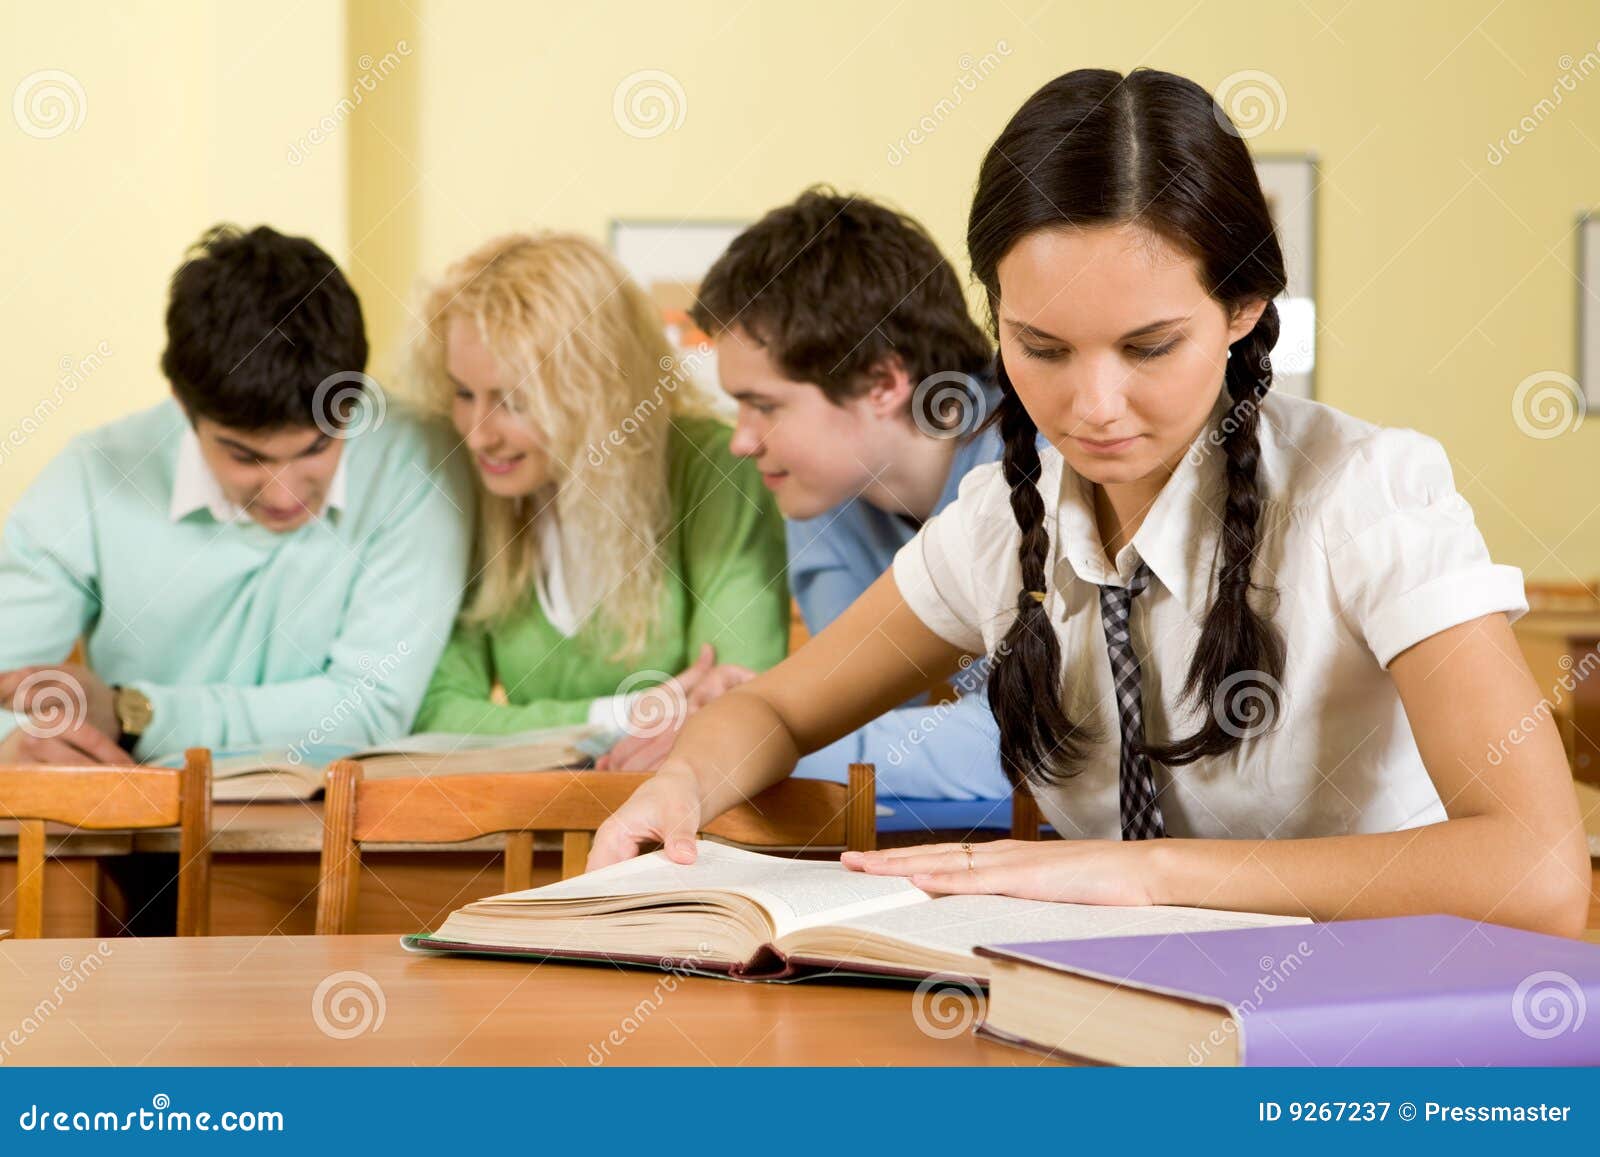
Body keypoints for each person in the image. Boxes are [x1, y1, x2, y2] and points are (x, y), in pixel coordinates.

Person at [585, 68, 1589, 937]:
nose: (1091, 406)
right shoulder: (994, 524)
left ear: (1241, 310)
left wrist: (1144, 876)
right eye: (1042, 348)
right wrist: (680, 782)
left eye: (1148, 346)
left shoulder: (1368, 492)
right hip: (1107, 1006)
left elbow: (1538, 873)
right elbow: (769, 707)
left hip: (1371, 1013)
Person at [0, 224, 473, 764]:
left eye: (316, 448)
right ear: (183, 404)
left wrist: (134, 714)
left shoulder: (419, 459)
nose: (283, 492)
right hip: (135, 837)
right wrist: (23, 744)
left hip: (343, 837)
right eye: (246, 457)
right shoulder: (94, 476)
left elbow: (368, 710)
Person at [688, 188, 1010, 801]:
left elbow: (1033, 746)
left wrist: (750, 746)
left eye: (764, 406)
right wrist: (750, 719)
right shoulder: (822, 483)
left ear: (883, 382)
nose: (741, 442)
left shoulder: (1043, 467)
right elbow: (852, 708)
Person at [409, 232, 789, 744]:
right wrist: (629, 714)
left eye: (515, 401)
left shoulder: (715, 468)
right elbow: (437, 717)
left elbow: (732, 707)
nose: (479, 434)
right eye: (463, 393)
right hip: (535, 818)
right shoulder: (477, 488)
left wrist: (537, 728)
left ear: (597, 391)